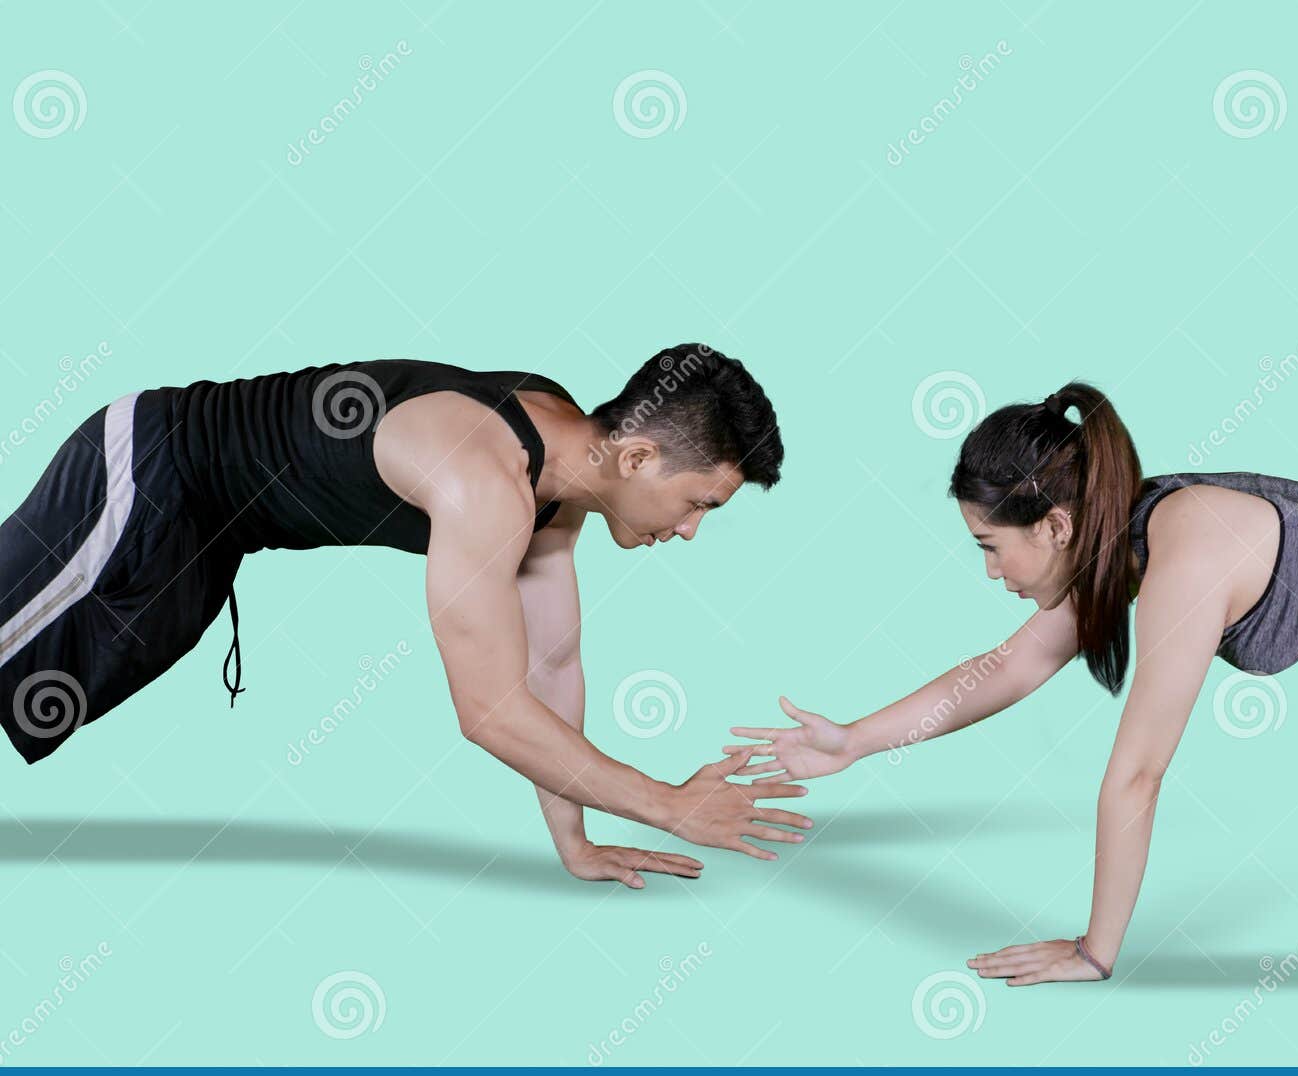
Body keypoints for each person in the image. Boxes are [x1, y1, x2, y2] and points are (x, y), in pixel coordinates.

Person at [724, 381, 1298, 984]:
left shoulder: (1182, 557)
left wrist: (1095, 950)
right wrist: (857, 739)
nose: (990, 573)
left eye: (990, 547)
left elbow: (1136, 774)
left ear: (1055, 524)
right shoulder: (1129, 524)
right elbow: (1010, 664)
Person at [0, 344, 811, 886]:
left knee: (49, 681)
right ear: (637, 457)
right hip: (155, 467)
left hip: (216, 535)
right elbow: (489, 710)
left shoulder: (562, 466)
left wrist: (575, 841)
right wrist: (668, 803)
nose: (692, 529)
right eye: (699, 502)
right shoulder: (486, 479)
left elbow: (550, 664)